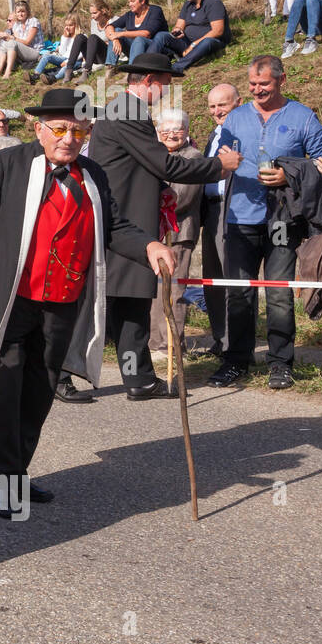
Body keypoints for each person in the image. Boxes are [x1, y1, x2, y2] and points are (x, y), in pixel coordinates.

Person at [0, 88, 168, 517]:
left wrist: (148, 246)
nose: (68, 138)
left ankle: (17, 473)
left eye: (77, 129)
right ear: (39, 129)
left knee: (39, 391)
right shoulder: (7, 164)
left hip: (61, 303)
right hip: (9, 299)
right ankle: (0, 484)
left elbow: (113, 227)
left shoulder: (93, 175)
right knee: (3, 388)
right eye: (59, 129)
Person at [83, 52, 240, 400]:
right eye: (166, 84)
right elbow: (166, 164)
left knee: (131, 304)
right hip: (124, 223)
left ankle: (138, 379)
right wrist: (219, 165)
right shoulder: (127, 112)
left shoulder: (123, 110)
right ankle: (67, 374)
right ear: (151, 82)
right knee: (121, 304)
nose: (167, 90)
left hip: (126, 219)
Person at [208, 55, 322, 389]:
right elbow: (217, 157)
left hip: (283, 221)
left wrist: (289, 176)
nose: (257, 90)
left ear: (282, 80)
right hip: (239, 218)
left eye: (264, 84)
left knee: (278, 294)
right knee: (239, 293)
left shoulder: (303, 117)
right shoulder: (235, 118)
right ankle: (236, 361)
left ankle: (280, 364)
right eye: (251, 84)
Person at [146, 109, 205, 361]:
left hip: (179, 232)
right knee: (156, 291)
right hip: (155, 233)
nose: (171, 134)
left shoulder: (193, 157)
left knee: (175, 291)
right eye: (165, 130)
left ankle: (171, 345)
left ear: (187, 131)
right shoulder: (156, 155)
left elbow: (181, 199)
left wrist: (150, 200)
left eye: (177, 129)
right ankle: (154, 342)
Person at [197, 83, 241, 355]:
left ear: (238, 102)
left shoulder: (245, 133)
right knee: (211, 278)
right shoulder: (213, 136)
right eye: (212, 106)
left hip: (235, 209)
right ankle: (220, 339)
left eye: (222, 105)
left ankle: (235, 343)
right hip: (211, 212)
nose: (217, 111)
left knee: (232, 278)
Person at [151, 0, 230, 73]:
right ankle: (147, 65)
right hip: (187, 42)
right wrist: (178, 30)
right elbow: (179, 24)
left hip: (210, 42)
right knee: (161, 35)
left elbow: (218, 31)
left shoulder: (213, 2)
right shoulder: (188, 4)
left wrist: (193, 45)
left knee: (207, 41)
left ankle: (175, 68)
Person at [102, 0, 167, 68]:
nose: (129, 4)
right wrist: (114, 39)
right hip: (134, 49)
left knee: (139, 39)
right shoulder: (130, 15)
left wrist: (121, 34)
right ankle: (110, 66)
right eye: (129, 2)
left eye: (132, 1)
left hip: (153, 48)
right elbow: (109, 27)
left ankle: (132, 70)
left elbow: (146, 34)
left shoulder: (155, 11)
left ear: (142, 1)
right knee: (116, 30)